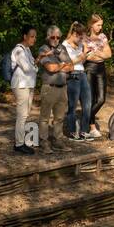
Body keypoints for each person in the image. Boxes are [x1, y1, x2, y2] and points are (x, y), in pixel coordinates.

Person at [37, 26, 73, 155]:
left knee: (59, 117)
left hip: (63, 88)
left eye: (58, 37)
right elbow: (50, 68)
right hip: (49, 87)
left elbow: (72, 66)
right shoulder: (43, 49)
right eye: (53, 37)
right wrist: (63, 65)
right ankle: (43, 141)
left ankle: (58, 140)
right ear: (48, 37)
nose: (56, 39)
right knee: (45, 118)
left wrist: (60, 66)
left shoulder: (62, 48)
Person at [9, 26, 38, 155]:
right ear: (25, 36)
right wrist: (34, 67)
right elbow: (27, 68)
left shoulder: (27, 50)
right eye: (32, 36)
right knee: (22, 115)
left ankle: (22, 141)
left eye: (35, 36)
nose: (34, 39)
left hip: (28, 84)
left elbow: (32, 66)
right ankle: (19, 144)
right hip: (21, 85)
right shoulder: (18, 50)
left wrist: (34, 66)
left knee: (25, 114)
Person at [83, 14, 112, 140]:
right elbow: (87, 57)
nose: (100, 27)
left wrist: (96, 52)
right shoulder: (84, 38)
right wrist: (101, 54)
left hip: (101, 69)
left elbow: (109, 54)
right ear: (91, 24)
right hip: (89, 69)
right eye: (98, 25)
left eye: (101, 25)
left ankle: (85, 119)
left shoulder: (102, 37)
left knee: (101, 99)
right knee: (91, 99)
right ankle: (92, 128)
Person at [62, 22, 90, 140]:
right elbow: (66, 64)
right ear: (74, 34)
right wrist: (81, 57)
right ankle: (72, 132)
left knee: (87, 104)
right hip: (72, 76)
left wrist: (85, 54)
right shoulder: (64, 45)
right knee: (72, 106)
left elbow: (81, 62)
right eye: (80, 37)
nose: (81, 40)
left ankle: (84, 131)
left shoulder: (79, 45)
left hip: (82, 74)